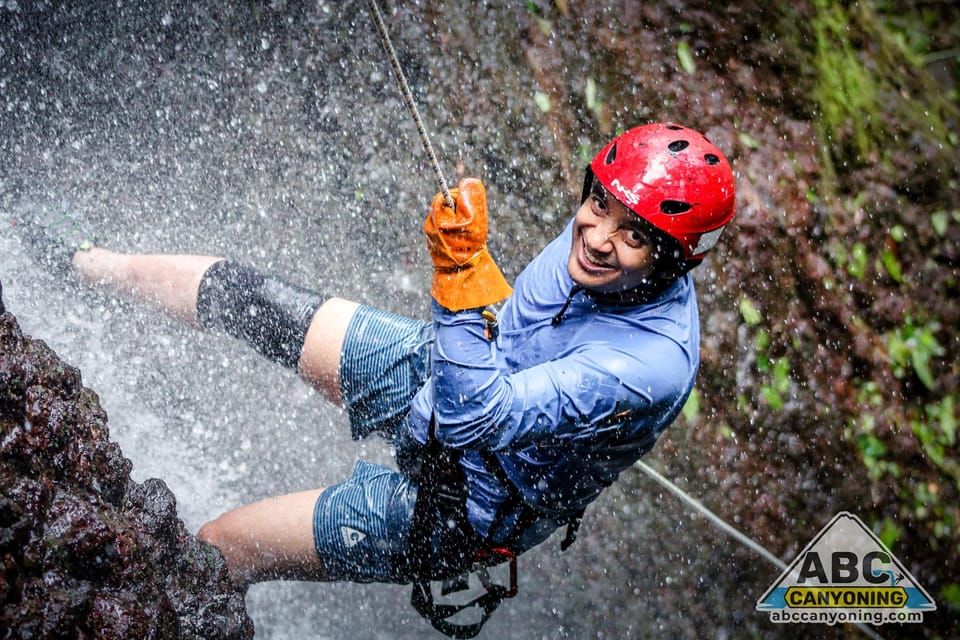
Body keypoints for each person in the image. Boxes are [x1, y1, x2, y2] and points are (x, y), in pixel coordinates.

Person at [17, 122, 735, 636]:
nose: (598, 234)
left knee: (216, 549)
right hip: (452, 371)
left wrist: (455, 277)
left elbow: (474, 418)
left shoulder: (643, 368)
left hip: (463, 505)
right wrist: (477, 281)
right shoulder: (600, 236)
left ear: (674, 260)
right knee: (249, 298)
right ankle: (88, 262)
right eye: (598, 204)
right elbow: (514, 327)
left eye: (634, 234)